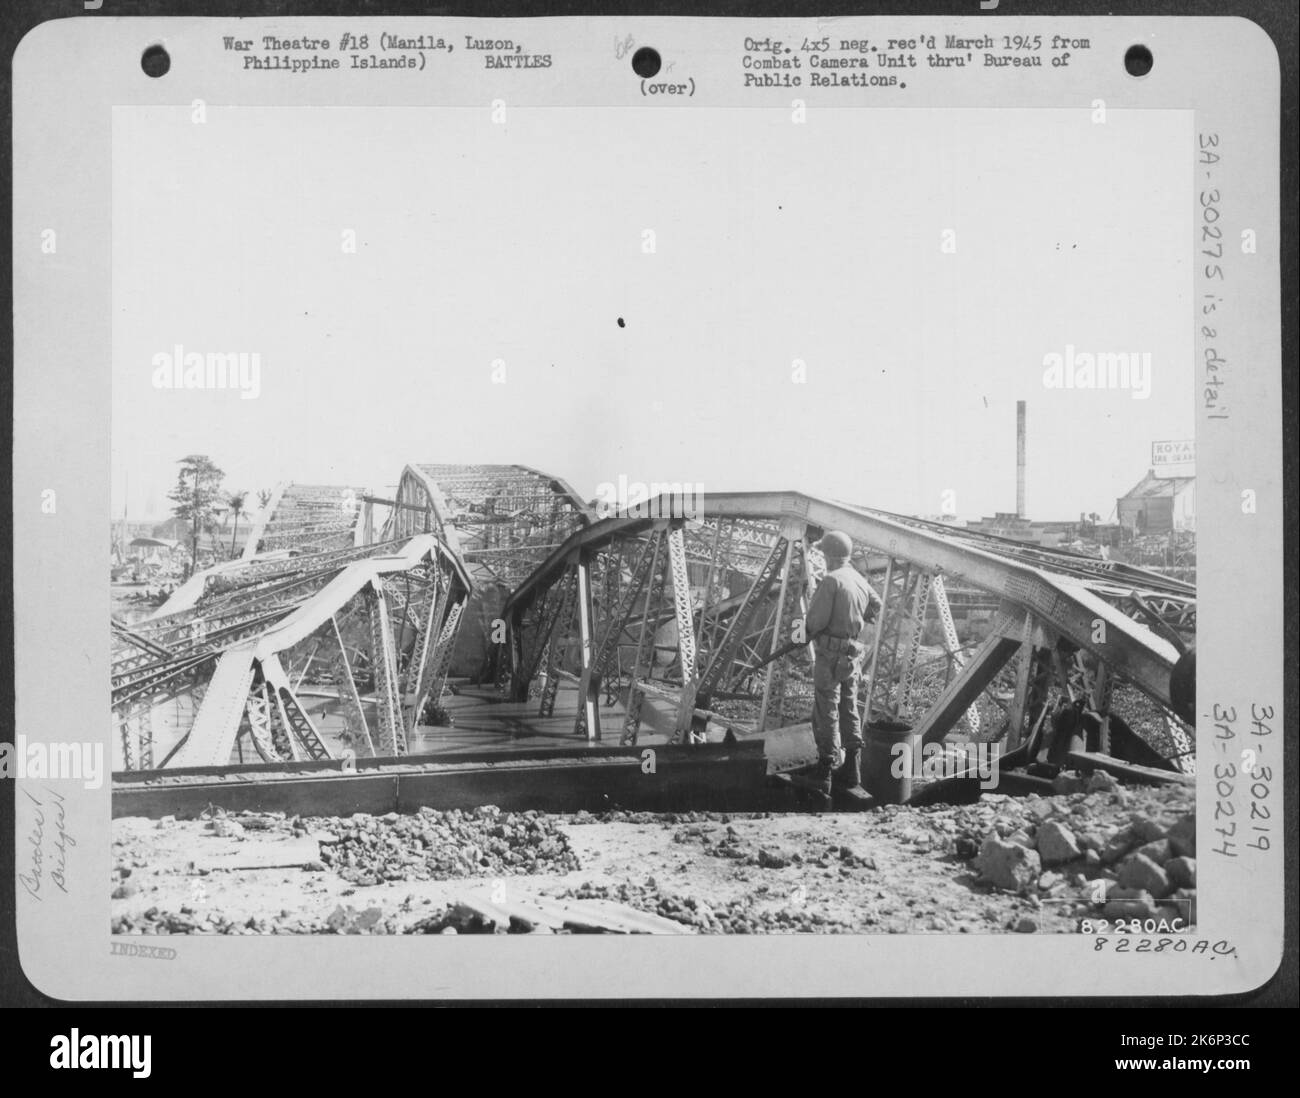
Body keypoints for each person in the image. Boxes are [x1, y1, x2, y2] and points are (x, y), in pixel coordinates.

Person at [795, 530, 880, 808]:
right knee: (848, 706)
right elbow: (876, 605)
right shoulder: (858, 578)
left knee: (826, 709)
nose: (821, 557)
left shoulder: (831, 580)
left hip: (830, 655)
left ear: (829, 555)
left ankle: (824, 770)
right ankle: (851, 770)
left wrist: (803, 634)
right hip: (851, 655)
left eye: (822, 553)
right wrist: (855, 618)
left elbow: (816, 620)